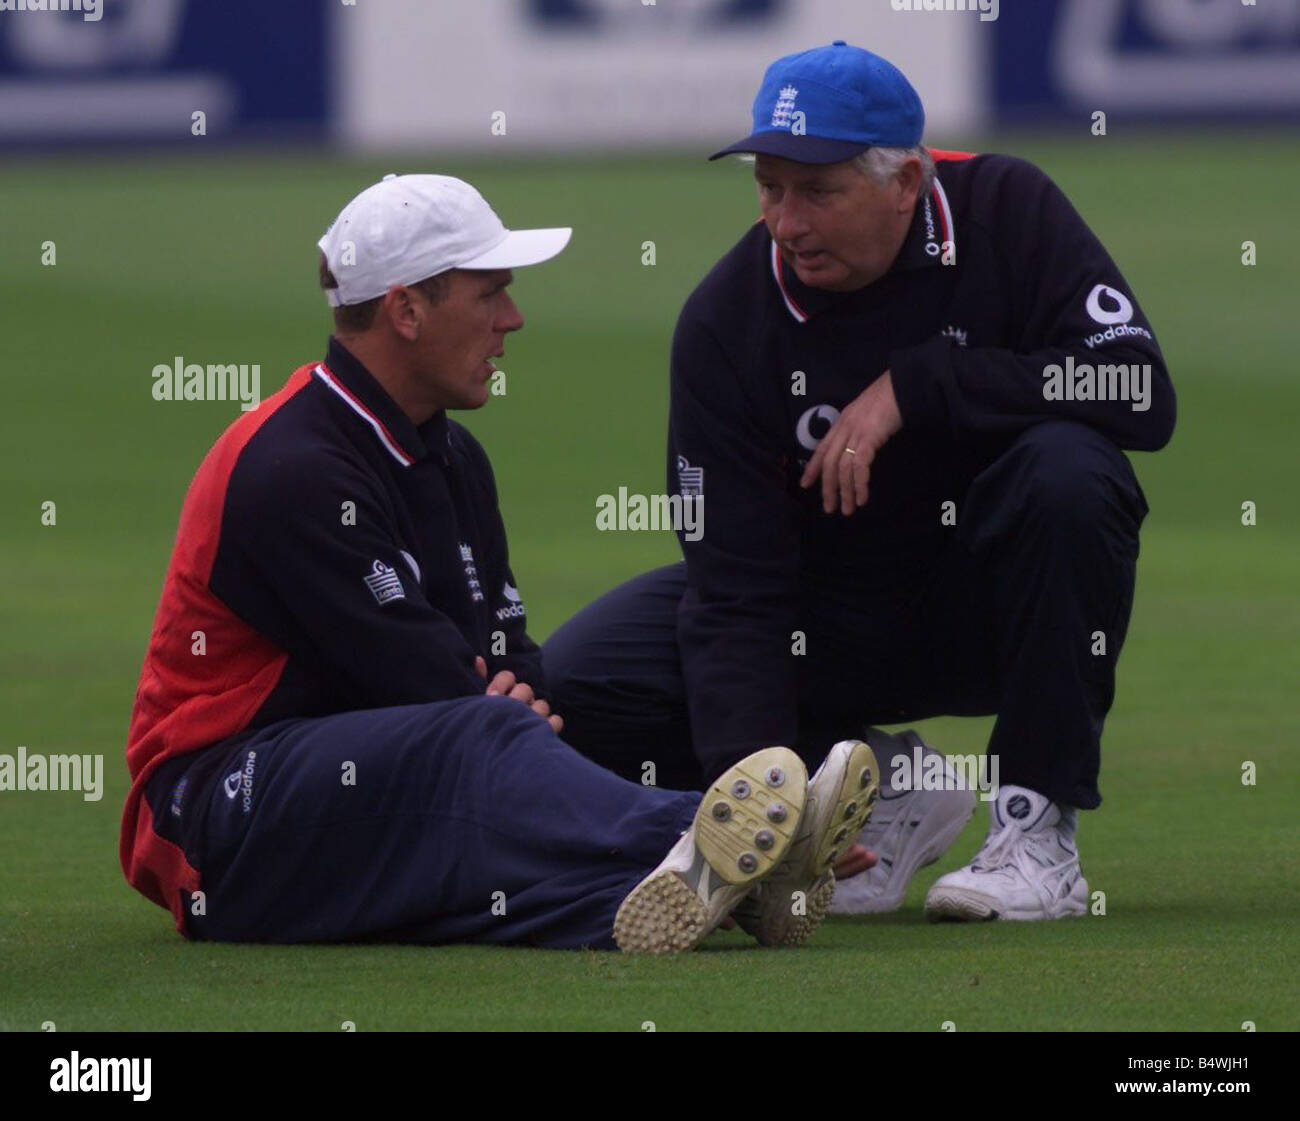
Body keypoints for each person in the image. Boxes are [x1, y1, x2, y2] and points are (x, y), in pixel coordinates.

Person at [119, 172, 878, 954]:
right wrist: (499, 704)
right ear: (406, 309)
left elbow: (514, 659)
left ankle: (686, 890)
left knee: (482, 802)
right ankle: (706, 833)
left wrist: (506, 699)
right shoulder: (290, 467)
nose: (512, 320)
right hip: (213, 815)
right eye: (489, 295)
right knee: (476, 740)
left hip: (357, 796)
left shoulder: (454, 454)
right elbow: (422, 681)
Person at [544, 42, 1174, 922]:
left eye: (819, 192)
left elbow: (1137, 389)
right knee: (575, 684)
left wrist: (920, 387)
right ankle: (882, 790)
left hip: (1002, 609)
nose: (787, 222)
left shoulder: (1008, 210)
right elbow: (735, 592)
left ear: (908, 182)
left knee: (1069, 471)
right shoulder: (726, 324)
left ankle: (1036, 832)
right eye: (769, 187)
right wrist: (763, 805)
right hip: (832, 620)